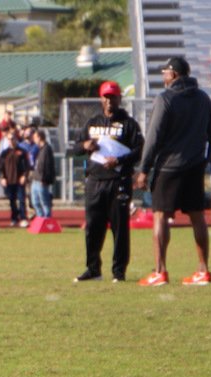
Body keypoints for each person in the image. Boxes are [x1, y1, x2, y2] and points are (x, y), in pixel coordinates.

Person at [136, 57, 211, 286]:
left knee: (160, 216)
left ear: (174, 74)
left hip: (168, 166)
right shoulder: (203, 98)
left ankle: (160, 271)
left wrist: (144, 168)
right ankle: (203, 270)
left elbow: (154, 136)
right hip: (194, 165)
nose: (163, 76)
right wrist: (205, 161)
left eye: (165, 72)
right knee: (197, 216)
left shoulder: (165, 98)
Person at [72, 80, 144, 282]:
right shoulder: (92, 122)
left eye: (113, 96)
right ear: (101, 98)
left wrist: (119, 160)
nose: (109, 100)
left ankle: (118, 272)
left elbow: (139, 151)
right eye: (106, 96)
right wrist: (86, 145)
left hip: (118, 181)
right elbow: (75, 148)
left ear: (119, 98)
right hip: (95, 181)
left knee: (119, 228)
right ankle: (93, 269)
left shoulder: (129, 124)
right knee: (93, 227)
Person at [0, 131, 29, 228]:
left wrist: (24, 176)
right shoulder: (4, 153)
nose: (11, 141)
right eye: (9, 139)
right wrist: (2, 178)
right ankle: (14, 218)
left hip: (19, 180)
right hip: (9, 180)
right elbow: (0, 167)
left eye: (13, 139)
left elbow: (27, 166)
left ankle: (23, 218)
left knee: (21, 199)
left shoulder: (22, 152)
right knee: (12, 200)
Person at [30, 129, 56, 218]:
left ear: (39, 137)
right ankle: (40, 218)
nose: (33, 140)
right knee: (35, 202)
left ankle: (47, 220)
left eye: (35, 137)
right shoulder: (39, 149)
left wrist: (44, 179)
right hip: (35, 179)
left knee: (44, 202)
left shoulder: (47, 149)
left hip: (41, 181)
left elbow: (47, 166)